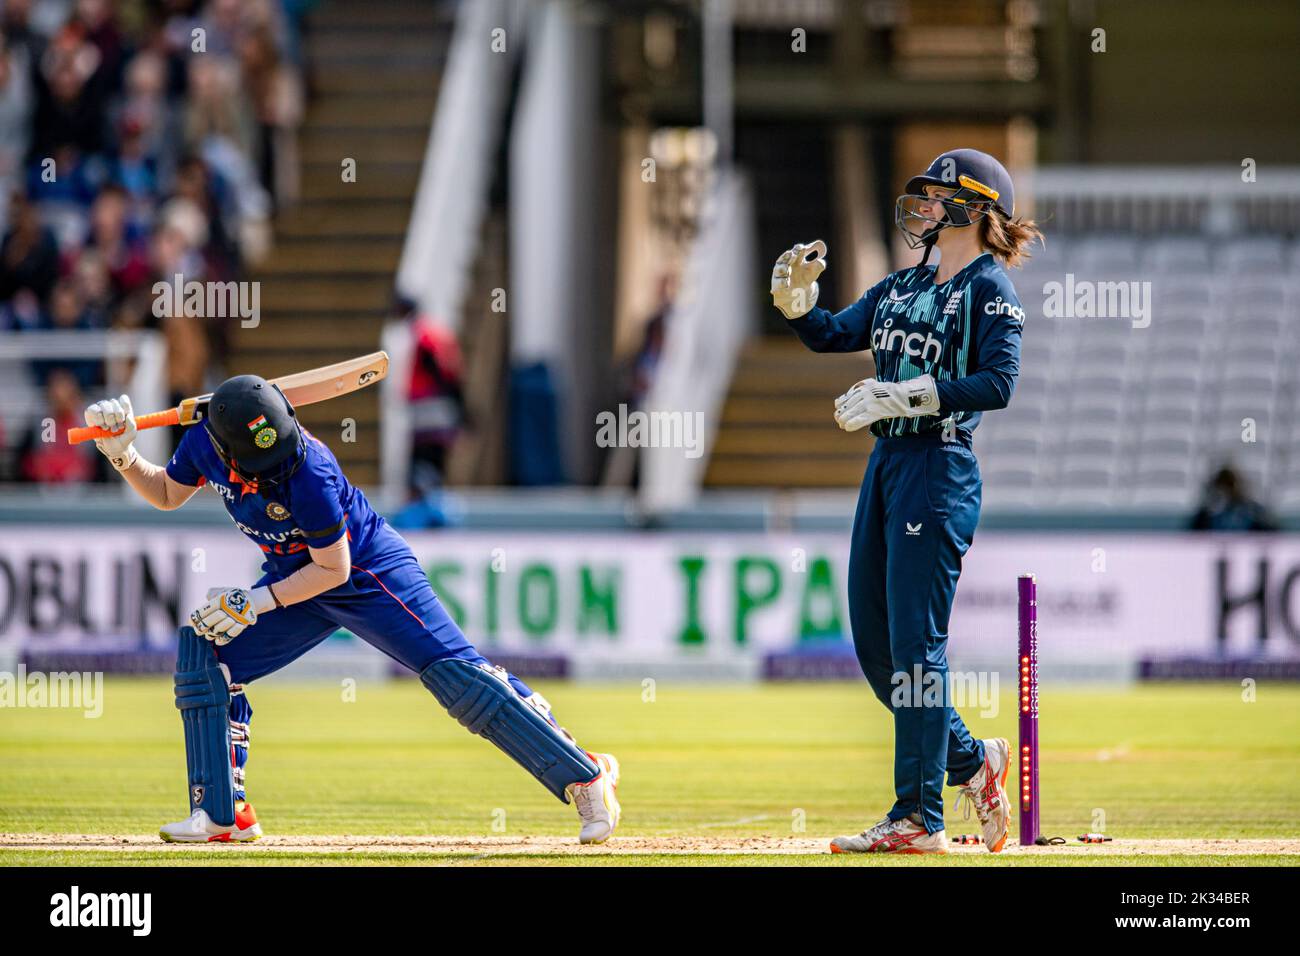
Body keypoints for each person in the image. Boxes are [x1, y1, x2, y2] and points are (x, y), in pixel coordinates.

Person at [83, 377, 621, 844]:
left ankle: (587, 776)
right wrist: (122, 454)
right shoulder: (205, 442)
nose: (275, 470)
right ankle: (223, 813)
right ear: (226, 454)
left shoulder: (309, 470)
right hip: (294, 577)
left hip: (366, 573)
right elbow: (166, 494)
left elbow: (333, 571)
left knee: (460, 681)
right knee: (207, 657)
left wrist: (259, 600)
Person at [771, 148, 1040, 854]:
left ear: (977, 208)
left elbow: (998, 383)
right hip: (887, 463)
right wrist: (799, 308)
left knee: (918, 647)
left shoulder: (990, 289)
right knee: (876, 646)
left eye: (937, 195)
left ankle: (919, 815)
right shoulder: (900, 285)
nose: (922, 205)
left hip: (939, 463)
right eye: (920, 194)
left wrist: (909, 394)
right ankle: (974, 762)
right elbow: (836, 334)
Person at [1190, 465, 1278, 532]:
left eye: (1229, 486)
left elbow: (1273, 530)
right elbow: (1193, 536)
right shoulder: (1207, 514)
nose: (1226, 491)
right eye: (1222, 487)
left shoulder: (1252, 511)